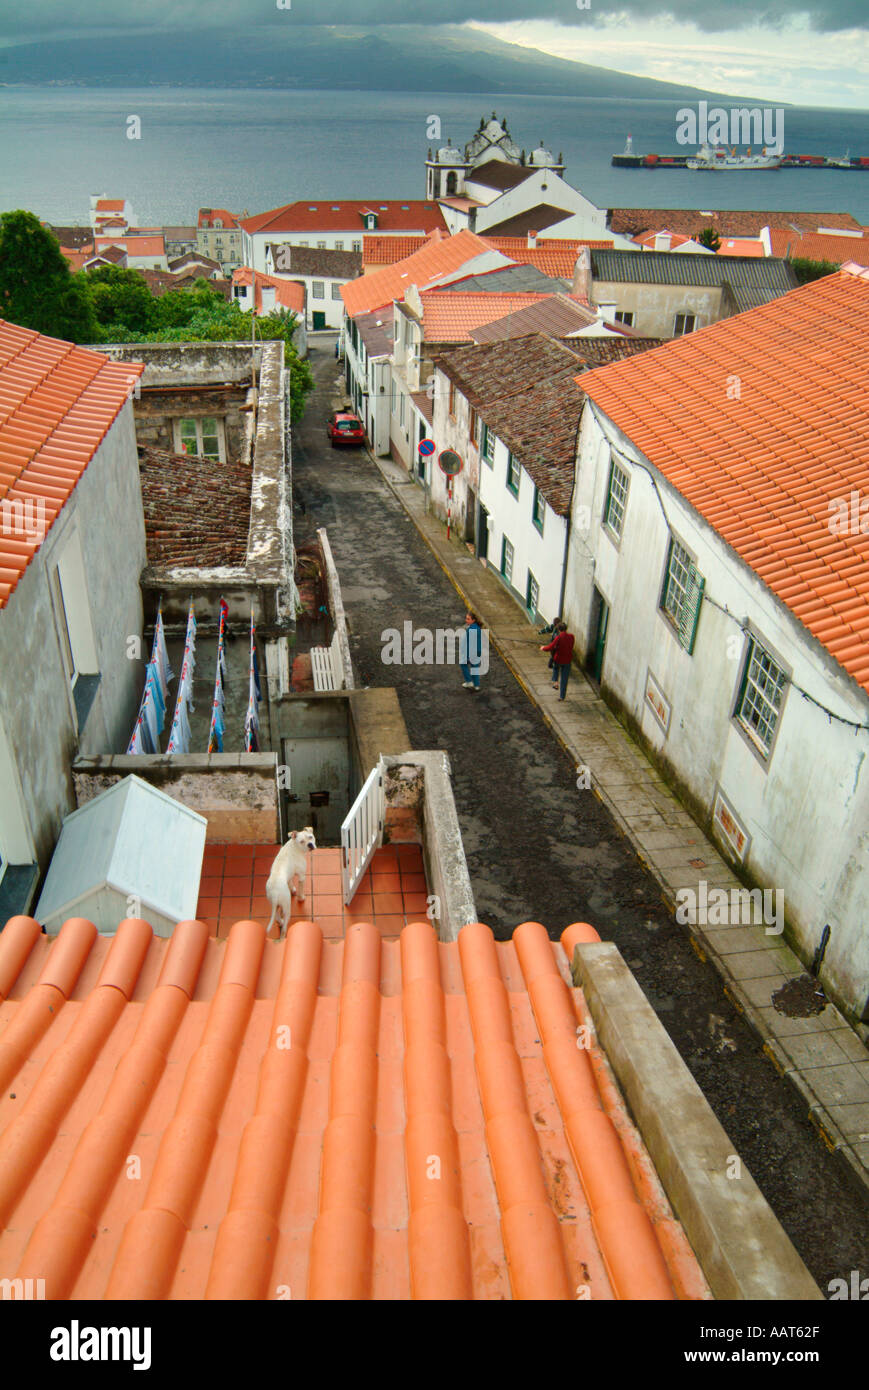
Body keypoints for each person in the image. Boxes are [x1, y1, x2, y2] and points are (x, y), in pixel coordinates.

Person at [541, 622, 575, 700]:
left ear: (559, 630)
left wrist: (543, 648)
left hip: (559, 659)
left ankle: (555, 682)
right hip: (568, 660)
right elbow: (570, 646)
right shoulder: (572, 636)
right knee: (564, 679)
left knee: (555, 669)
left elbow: (550, 647)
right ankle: (562, 697)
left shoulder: (559, 637)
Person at [460, 611, 484, 690]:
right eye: (466, 618)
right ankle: (476, 685)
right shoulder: (476, 627)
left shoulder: (471, 630)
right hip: (477, 652)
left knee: (463, 664)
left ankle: (469, 682)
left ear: (473, 620)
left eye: (468, 619)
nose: (466, 620)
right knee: (475, 668)